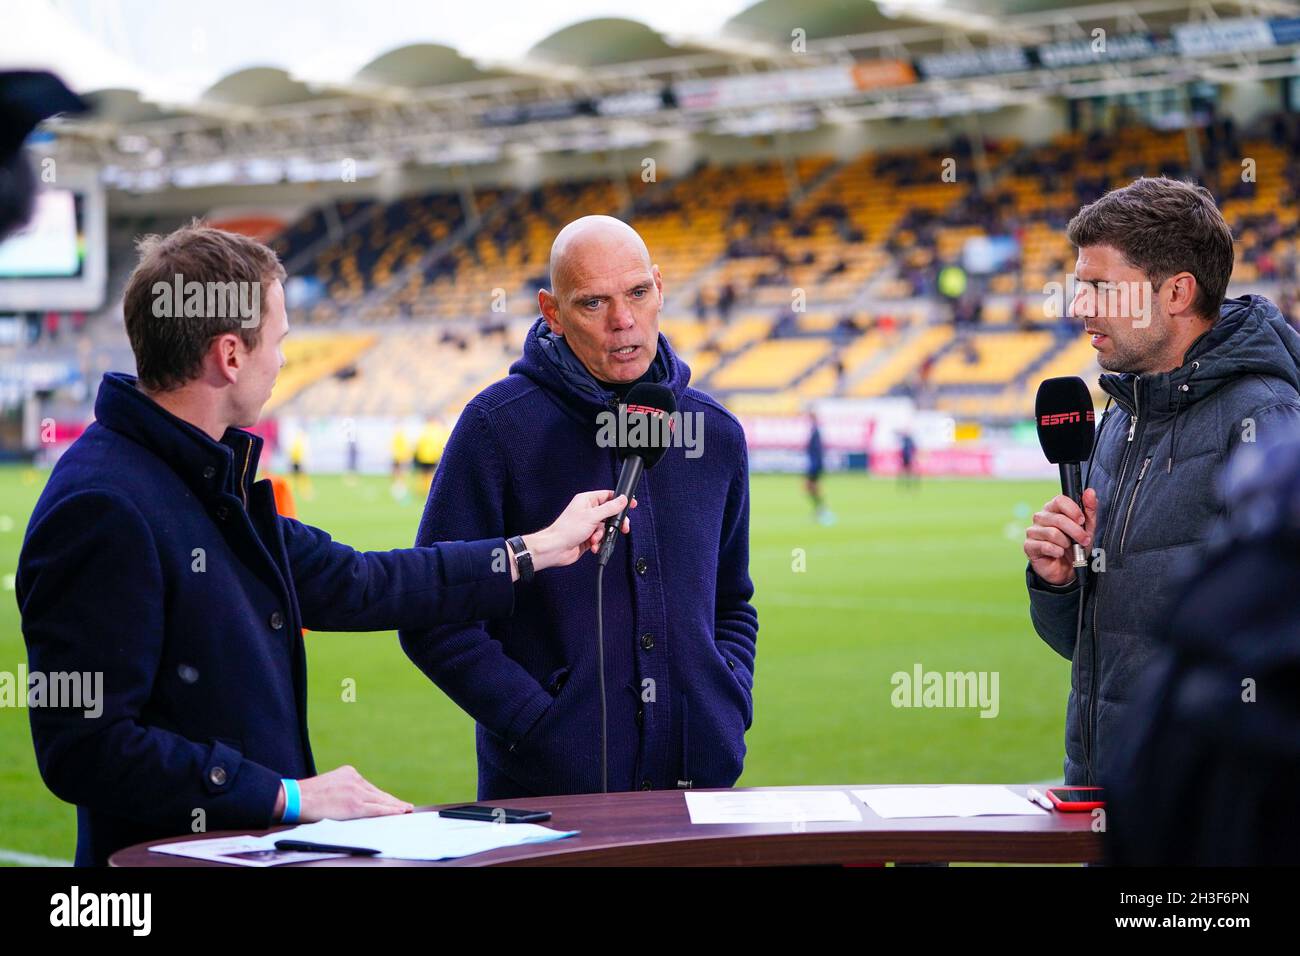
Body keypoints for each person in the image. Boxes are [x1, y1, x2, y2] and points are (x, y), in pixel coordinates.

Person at [16, 222, 633, 866]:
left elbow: (362, 583)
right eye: (278, 342)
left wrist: (531, 550)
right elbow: (85, 748)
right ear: (230, 356)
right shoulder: (103, 505)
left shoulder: (203, 479)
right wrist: (285, 796)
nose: (283, 360)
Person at [400, 215, 758, 799]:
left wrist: (728, 703)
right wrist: (540, 728)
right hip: (547, 808)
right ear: (552, 311)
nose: (623, 321)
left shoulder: (715, 434)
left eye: (638, 293)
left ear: (660, 289)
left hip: (700, 797)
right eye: (593, 303)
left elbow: (733, 602)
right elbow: (433, 616)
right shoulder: (496, 429)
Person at [1022, 177, 1300, 787]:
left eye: (1099, 287)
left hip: (1213, 817)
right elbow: (1096, 649)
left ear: (1176, 292)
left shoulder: (1269, 423)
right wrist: (1061, 583)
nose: (1078, 307)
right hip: (1112, 795)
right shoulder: (1122, 417)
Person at [805, 412, 833, 525]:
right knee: (810, 488)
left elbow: (818, 451)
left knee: (811, 488)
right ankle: (820, 509)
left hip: (815, 466)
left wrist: (815, 466)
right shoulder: (814, 431)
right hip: (814, 465)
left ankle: (822, 510)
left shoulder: (816, 432)